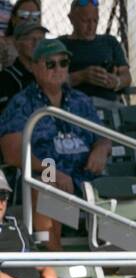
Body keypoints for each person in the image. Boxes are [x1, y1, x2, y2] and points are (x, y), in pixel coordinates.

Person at [0, 37, 109, 251]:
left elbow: (103, 136)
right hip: (46, 171)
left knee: (119, 189)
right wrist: (54, 171)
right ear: (34, 67)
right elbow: (12, 152)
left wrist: (101, 149)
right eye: (50, 64)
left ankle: (128, 264)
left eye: (63, 63)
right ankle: (55, 257)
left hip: (85, 181)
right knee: (46, 184)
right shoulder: (22, 103)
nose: (58, 69)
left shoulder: (80, 100)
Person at [61, 0, 128, 102]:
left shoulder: (110, 42)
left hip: (108, 105)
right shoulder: (61, 45)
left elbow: (126, 76)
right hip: (74, 105)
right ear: (71, 19)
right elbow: (51, 81)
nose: (91, 27)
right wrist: (82, 76)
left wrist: (116, 82)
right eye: (85, 21)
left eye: (95, 21)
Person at [0, 20, 45, 115]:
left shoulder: (49, 73)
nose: (36, 43)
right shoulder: (5, 78)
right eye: (30, 39)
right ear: (17, 44)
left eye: (41, 39)